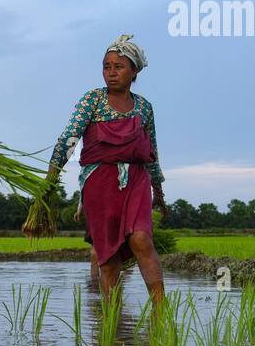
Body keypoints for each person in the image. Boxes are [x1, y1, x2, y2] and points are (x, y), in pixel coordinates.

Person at [47, 36, 167, 302]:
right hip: (100, 181)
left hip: (135, 180)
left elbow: (152, 151)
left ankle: (162, 313)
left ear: (134, 71)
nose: (111, 73)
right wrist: (50, 179)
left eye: (119, 67)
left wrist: (158, 191)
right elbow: (69, 139)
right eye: (107, 66)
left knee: (141, 240)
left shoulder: (144, 108)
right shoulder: (92, 100)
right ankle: (110, 322)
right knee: (109, 256)